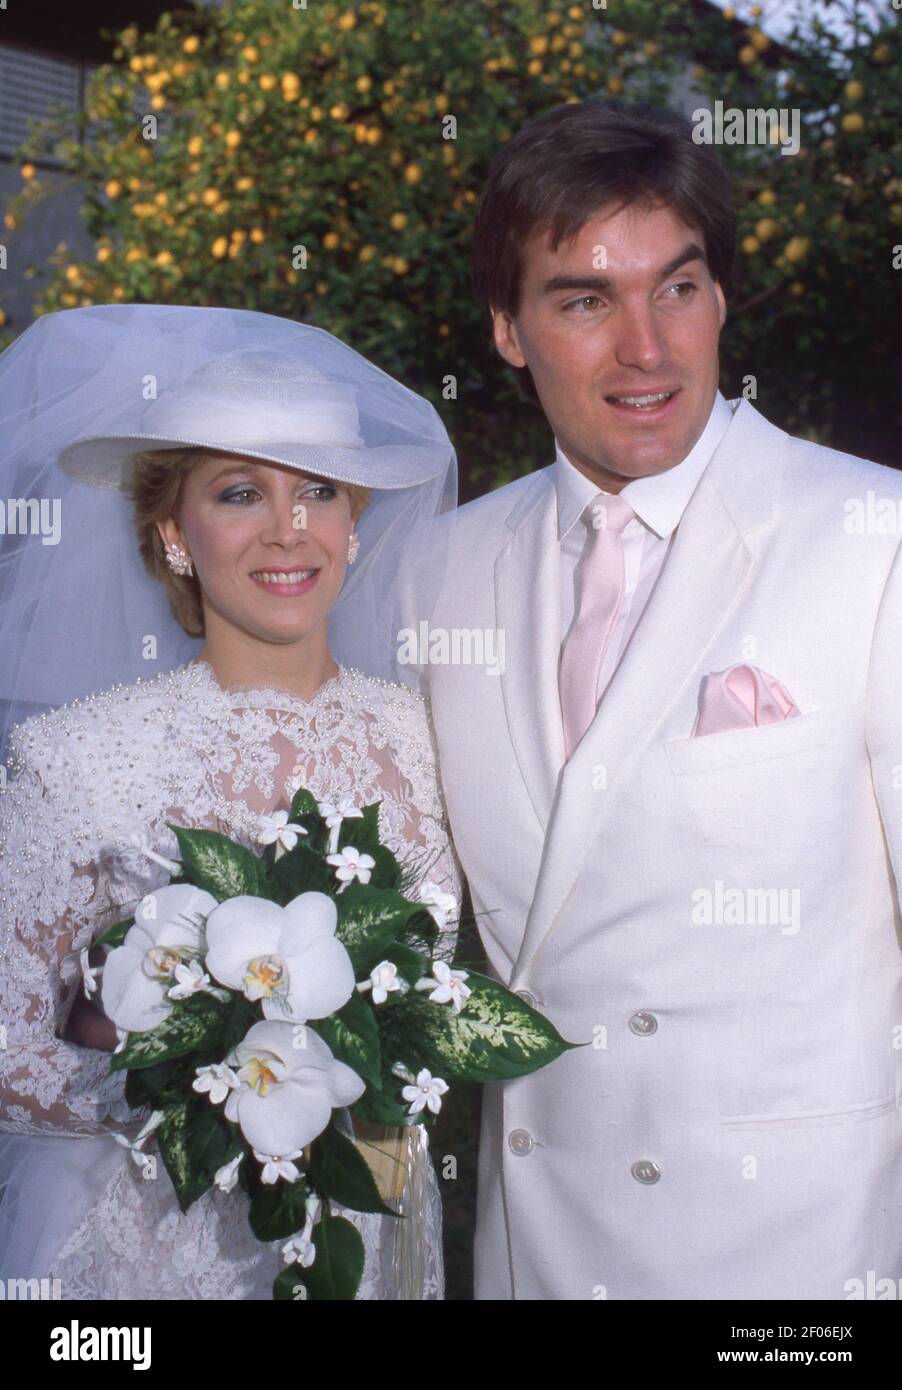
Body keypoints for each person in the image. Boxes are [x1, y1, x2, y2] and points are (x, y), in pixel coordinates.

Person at [395, 98, 902, 1299]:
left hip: (795, 1256)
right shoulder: (435, 569)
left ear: (719, 297)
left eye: (674, 288)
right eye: (583, 299)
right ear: (508, 333)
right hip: (540, 1244)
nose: (645, 349)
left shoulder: (867, 537)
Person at [0, 303, 461, 1299]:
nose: (288, 530)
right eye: (242, 492)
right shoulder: (74, 757)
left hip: (371, 1240)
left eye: (320, 492)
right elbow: (11, 1052)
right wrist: (202, 1071)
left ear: (353, 521)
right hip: (153, 1259)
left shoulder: (434, 743)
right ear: (172, 531)